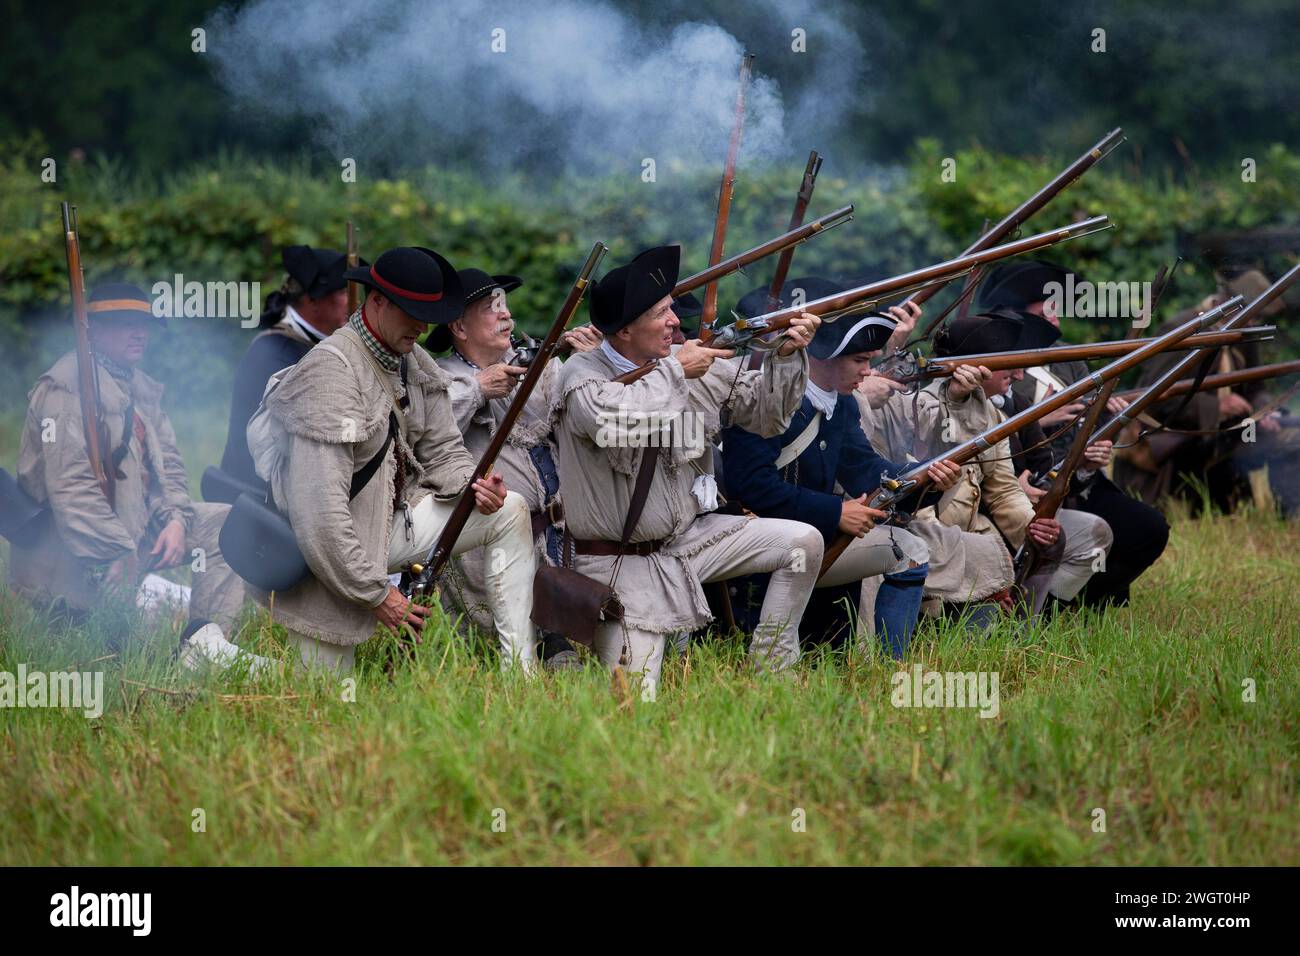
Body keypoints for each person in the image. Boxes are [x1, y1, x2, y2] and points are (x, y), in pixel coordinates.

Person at [243, 247, 538, 673]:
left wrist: (475, 484)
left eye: (428, 313)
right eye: (412, 312)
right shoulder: (331, 374)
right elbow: (320, 518)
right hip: (319, 555)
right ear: (376, 302)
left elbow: (443, 451)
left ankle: (519, 677)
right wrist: (379, 596)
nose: (421, 326)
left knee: (510, 509)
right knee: (321, 699)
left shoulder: (413, 361)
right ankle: (211, 653)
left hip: (385, 526)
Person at [550, 245, 823, 685]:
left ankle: (772, 668)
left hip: (687, 542)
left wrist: (787, 355)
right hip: (622, 565)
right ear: (623, 331)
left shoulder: (684, 366)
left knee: (802, 543)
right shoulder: (582, 374)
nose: (676, 322)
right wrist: (675, 371)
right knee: (635, 700)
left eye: (671, 310)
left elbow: (769, 419)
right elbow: (614, 420)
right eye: (661, 314)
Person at [722, 278, 961, 657]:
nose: (868, 372)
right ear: (823, 356)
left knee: (911, 550)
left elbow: (867, 471)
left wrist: (928, 480)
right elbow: (750, 486)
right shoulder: (767, 398)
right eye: (860, 360)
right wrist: (836, 512)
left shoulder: (841, 404)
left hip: (809, 538)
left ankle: (888, 665)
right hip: (753, 547)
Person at [10, 283, 246, 638]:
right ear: (94, 330)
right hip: (72, 560)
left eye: (144, 324)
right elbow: (71, 490)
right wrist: (118, 550)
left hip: (131, 542)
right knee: (110, 654)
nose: (140, 333)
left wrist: (177, 521)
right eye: (125, 323)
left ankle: (204, 643)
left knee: (224, 526)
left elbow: (170, 467)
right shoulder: (65, 389)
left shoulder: (140, 386)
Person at [427, 267, 601, 670]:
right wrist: (477, 389)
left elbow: (585, 423)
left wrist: (587, 364)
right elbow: (425, 431)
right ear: (459, 327)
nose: (508, 317)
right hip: (487, 540)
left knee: (569, 654)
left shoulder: (541, 368)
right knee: (487, 656)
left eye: (506, 308)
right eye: (493, 309)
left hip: (559, 538)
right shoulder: (440, 378)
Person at [977, 261, 1171, 605]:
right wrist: (1043, 419)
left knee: (1146, 528)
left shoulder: (1069, 361)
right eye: (1047, 310)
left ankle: (1080, 602)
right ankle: (1043, 608)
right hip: (1024, 483)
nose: (1056, 318)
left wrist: (1096, 447)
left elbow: (1086, 427)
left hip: (1074, 483)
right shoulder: (993, 359)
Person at [918, 312, 1114, 612]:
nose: (1018, 374)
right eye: (1005, 364)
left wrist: (1032, 527)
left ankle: (1028, 630)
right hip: (932, 536)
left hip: (974, 531)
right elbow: (918, 505)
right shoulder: (921, 405)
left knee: (1047, 541)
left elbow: (1005, 491)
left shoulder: (992, 415)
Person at [218, 245, 355, 494]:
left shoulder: (309, 344)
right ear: (312, 300)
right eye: (344, 291)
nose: (352, 300)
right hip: (257, 501)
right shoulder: (275, 353)